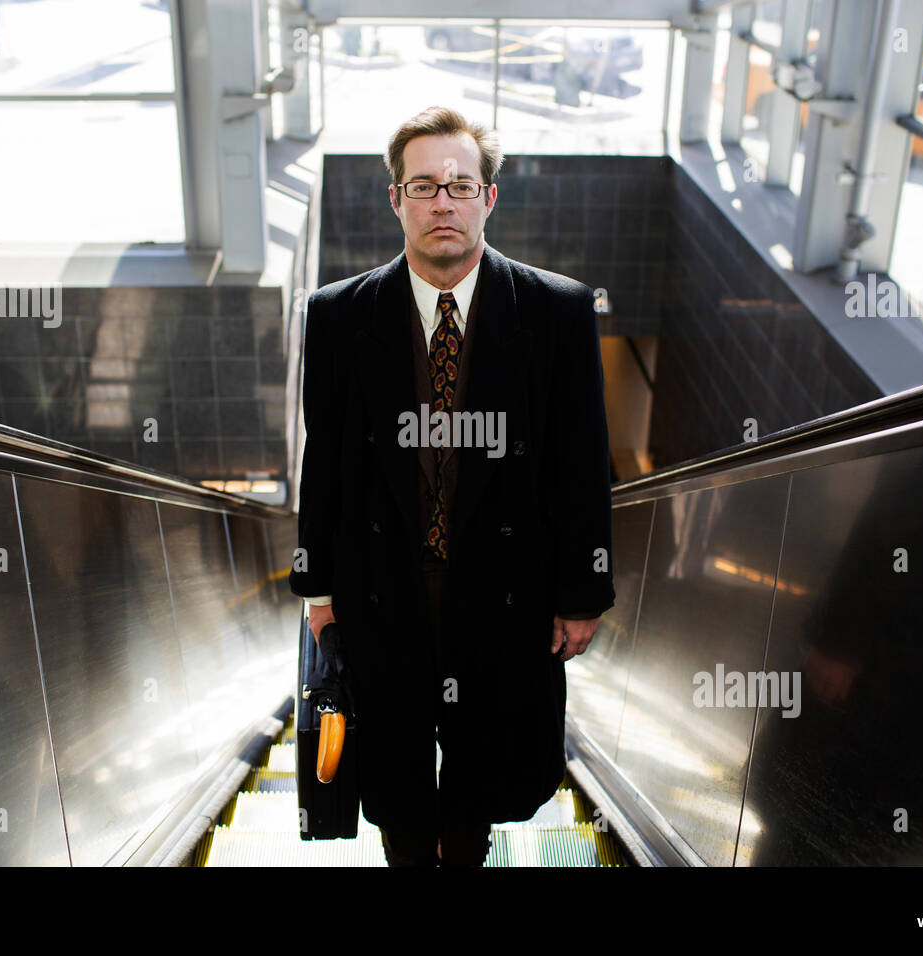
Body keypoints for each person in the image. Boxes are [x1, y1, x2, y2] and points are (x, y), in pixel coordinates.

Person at [289, 105, 615, 867]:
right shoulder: (338, 315)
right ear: (395, 198)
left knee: (484, 764)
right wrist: (318, 588)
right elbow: (327, 457)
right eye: (424, 185)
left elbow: (582, 461)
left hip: (508, 588)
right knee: (395, 774)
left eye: (462, 186)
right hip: (382, 586)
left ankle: (467, 850)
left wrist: (582, 592)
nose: (444, 202)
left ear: (489, 199)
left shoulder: (557, 310)